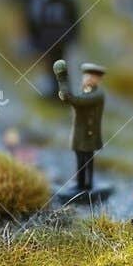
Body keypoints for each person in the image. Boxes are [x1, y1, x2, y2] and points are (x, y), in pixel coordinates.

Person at [54, 60, 106, 197]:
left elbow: (78, 102)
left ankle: (88, 186)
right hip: (79, 132)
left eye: (91, 76)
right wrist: (66, 94)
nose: (87, 78)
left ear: (98, 79)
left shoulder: (97, 94)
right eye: (86, 76)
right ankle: (80, 184)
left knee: (87, 159)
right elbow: (73, 100)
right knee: (79, 159)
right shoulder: (85, 91)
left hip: (89, 135)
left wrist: (63, 79)